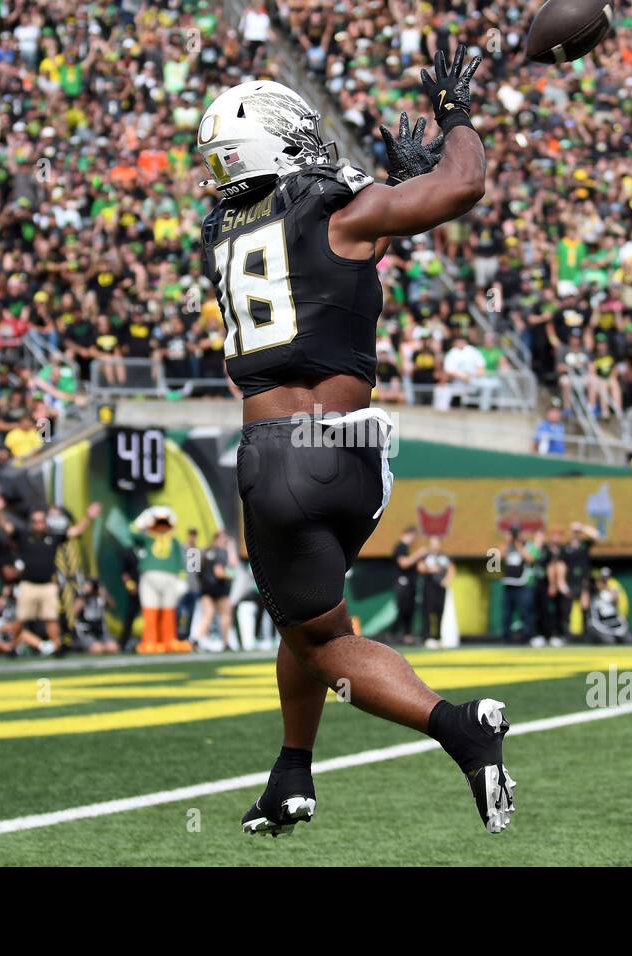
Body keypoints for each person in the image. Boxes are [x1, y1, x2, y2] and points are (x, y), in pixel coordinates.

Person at [200, 51, 514, 835]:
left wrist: (400, 188)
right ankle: (292, 774)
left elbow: (321, 261)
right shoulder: (337, 208)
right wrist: (453, 119)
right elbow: (461, 187)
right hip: (355, 455)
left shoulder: (221, 231)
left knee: (324, 637)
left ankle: (460, 729)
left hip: (278, 455)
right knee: (304, 622)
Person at [0, 500, 101, 657]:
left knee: (51, 618)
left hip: (47, 585)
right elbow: (6, 527)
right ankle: (12, 646)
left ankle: (57, 647)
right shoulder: (25, 536)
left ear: (45, 522)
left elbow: (75, 531)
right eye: (35, 521)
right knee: (20, 619)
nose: (38, 524)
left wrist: (88, 517)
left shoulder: (53, 537)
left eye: (41, 521)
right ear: (31, 522)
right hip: (28, 585)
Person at [126, 506, 190, 654]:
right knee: (150, 611)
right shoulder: (147, 538)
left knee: (169, 612)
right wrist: (140, 521)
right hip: (149, 578)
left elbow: (179, 560)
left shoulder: (174, 541)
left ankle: (168, 640)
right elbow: (131, 533)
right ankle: (149, 641)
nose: (161, 526)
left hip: (170, 578)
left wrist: (182, 578)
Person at [192, 530, 237, 652]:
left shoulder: (206, 551)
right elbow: (220, 572)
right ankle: (226, 642)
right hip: (219, 589)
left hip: (206, 589)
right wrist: (232, 576)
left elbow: (196, 571)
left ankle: (196, 639)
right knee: (226, 614)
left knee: (207, 615)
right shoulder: (221, 552)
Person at [389, 526, 425, 644]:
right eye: (414, 536)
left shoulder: (408, 549)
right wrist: (418, 554)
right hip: (402, 583)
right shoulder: (400, 547)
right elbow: (404, 563)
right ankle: (393, 633)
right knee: (403, 609)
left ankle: (407, 635)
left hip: (411, 584)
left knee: (409, 609)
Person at [499, 525, 533, 643]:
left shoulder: (526, 545)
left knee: (524, 612)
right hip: (508, 584)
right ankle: (506, 637)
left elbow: (530, 559)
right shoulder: (507, 546)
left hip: (522, 584)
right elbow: (495, 559)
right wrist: (507, 542)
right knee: (507, 613)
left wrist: (518, 545)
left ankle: (526, 636)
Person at [418, 536, 453, 648]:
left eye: (437, 543)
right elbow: (420, 568)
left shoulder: (444, 556)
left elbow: (451, 569)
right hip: (429, 587)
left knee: (439, 611)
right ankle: (427, 637)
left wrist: (447, 579)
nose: (435, 546)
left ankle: (438, 637)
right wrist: (429, 569)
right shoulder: (426, 556)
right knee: (428, 612)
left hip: (440, 587)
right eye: (433, 543)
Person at [71, 578, 118, 655]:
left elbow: (112, 605)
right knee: (97, 648)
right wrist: (84, 594)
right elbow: (74, 611)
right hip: (85, 632)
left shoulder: (100, 597)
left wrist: (104, 593)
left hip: (100, 630)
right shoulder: (81, 597)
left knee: (113, 647)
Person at [589, 568, 632, 645]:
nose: (604, 583)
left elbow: (616, 599)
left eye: (605, 580)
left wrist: (608, 589)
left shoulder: (613, 588)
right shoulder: (592, 593)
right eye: (602, 580)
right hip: (600, 624)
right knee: (609, 641)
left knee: (629, 640)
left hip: (614, 622)